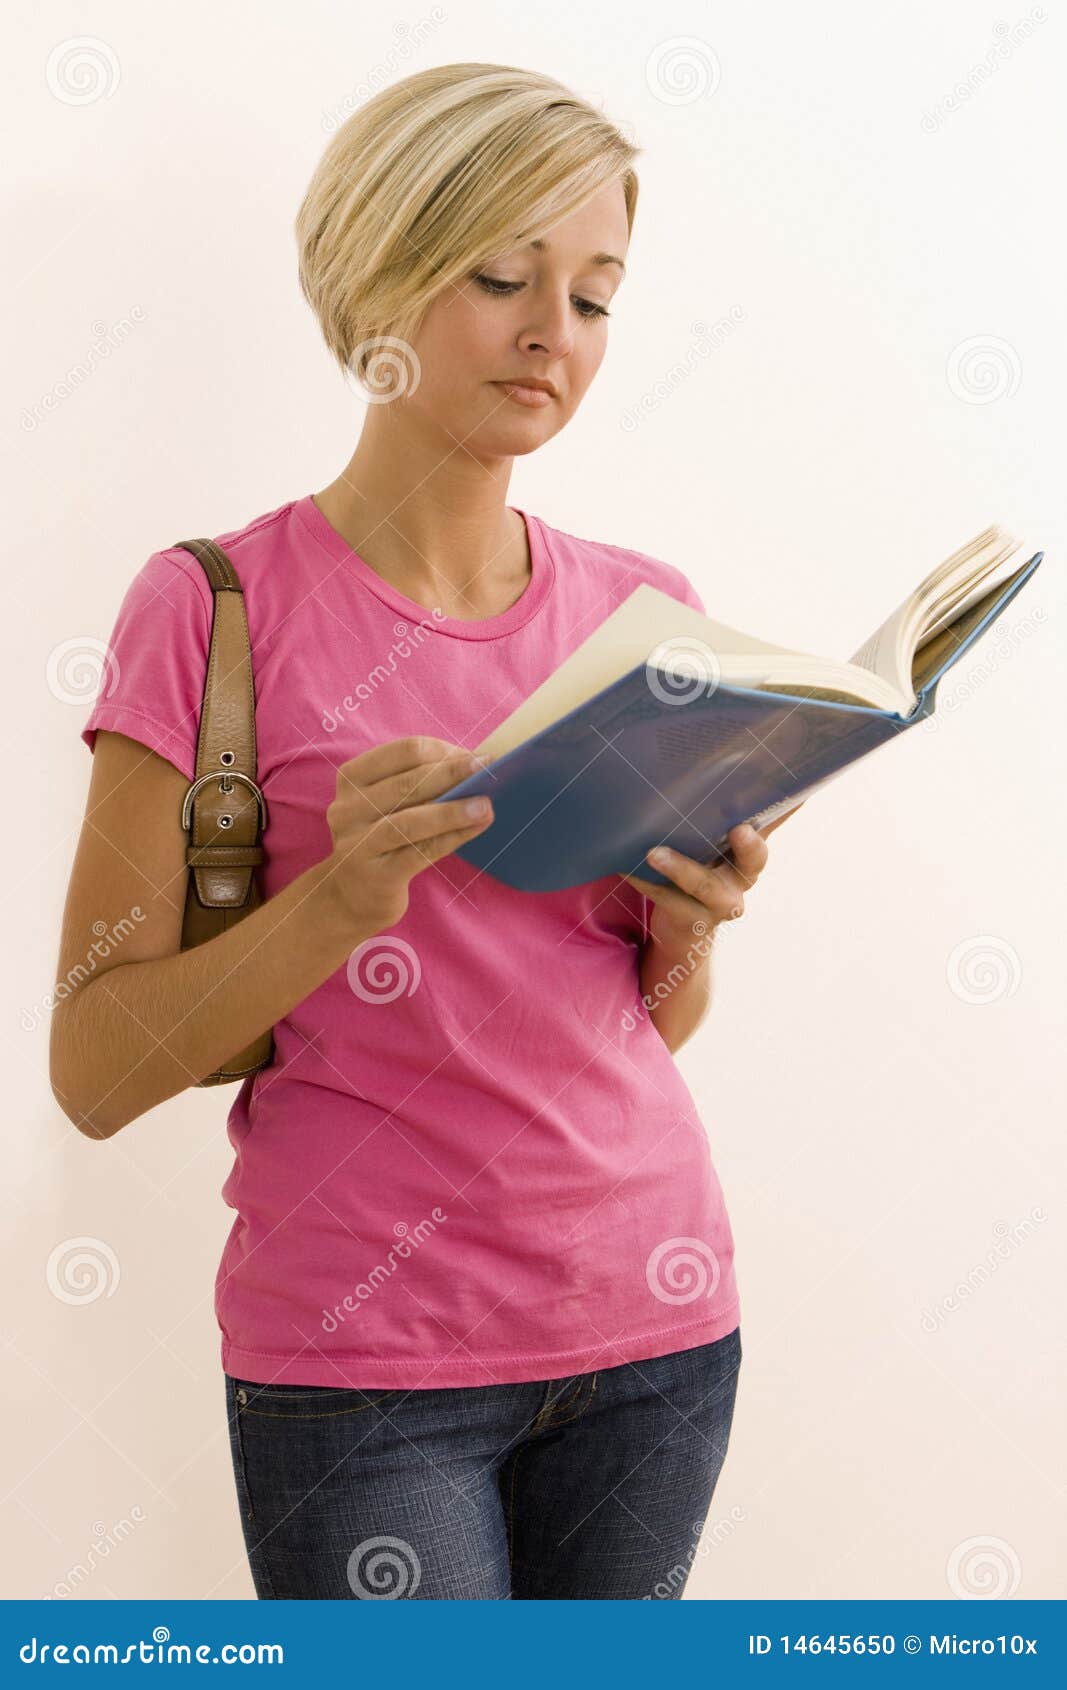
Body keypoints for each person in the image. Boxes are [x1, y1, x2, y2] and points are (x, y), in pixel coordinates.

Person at [52, 61, 782, 1600]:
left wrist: (687, 929)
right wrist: (334, 902)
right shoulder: (207, 612)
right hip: (365, 1372)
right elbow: (98, 1070)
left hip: (659, 1331)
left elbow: (645, 1024)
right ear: (374, 278)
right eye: (502, 275)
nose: (552, 334)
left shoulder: (647, 620)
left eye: (595, 296)